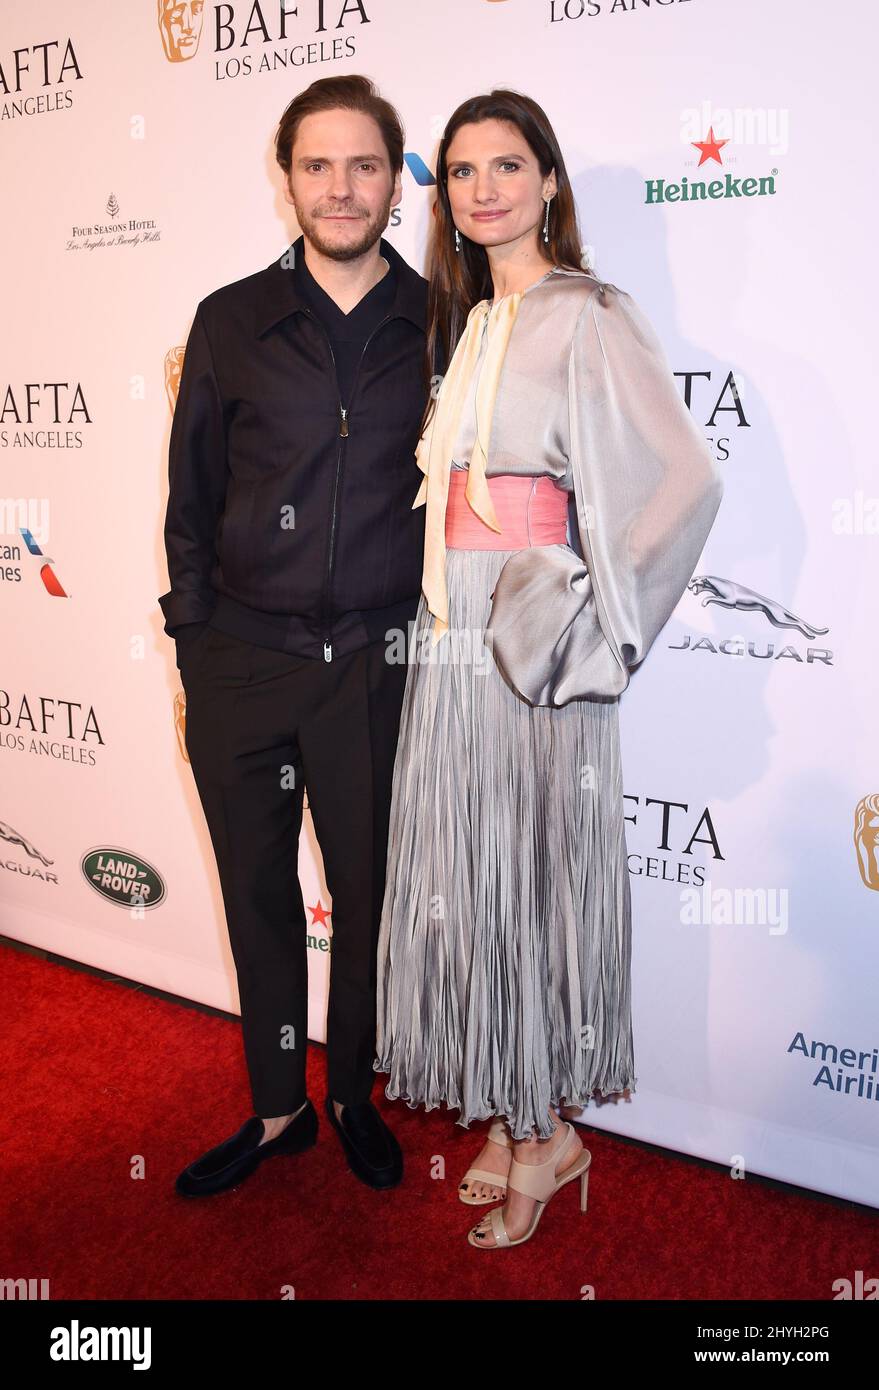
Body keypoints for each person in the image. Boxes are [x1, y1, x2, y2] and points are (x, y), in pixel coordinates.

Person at [373, 89, 724, 1248]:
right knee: (469, 877)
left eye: (508, 166)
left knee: (530, 882)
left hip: (527, 638)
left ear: (551, 183)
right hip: (450, 635)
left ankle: (545, 1130)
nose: (483, 189)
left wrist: (587, 610)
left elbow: (685, 481)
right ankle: (519, 1113)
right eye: (463, 170)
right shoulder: (469, 323)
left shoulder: (590, 314)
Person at [159, 75, 429, 1196]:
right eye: (316, 165)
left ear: (396, 181)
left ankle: (352, 1094)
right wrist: (194, 646)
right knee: (256, 895)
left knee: (364, 898)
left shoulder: (444, 321)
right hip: (241, 664)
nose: (340, 186)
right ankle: (278, 1110)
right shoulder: (230, 317)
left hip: (371, 665)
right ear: (286, 180)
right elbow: (189, 499)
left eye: (364, 164)